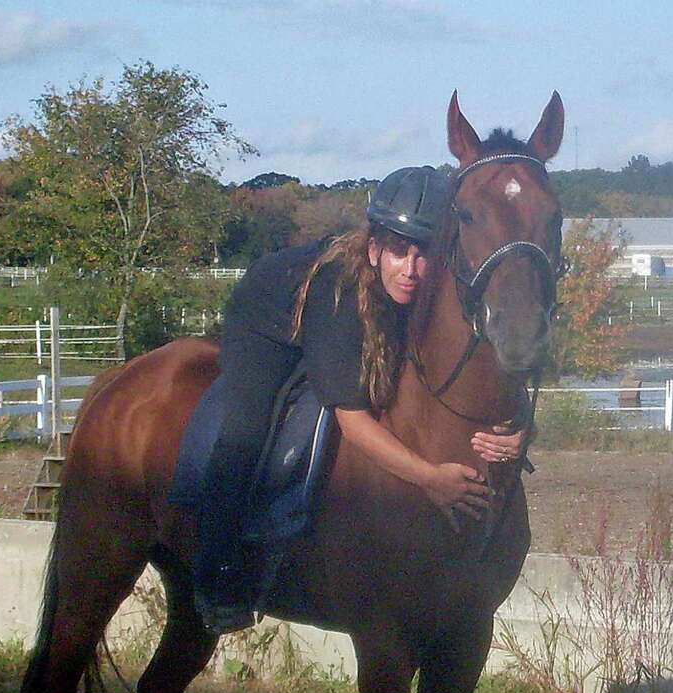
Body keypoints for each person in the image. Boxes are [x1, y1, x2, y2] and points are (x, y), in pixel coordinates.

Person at [195, 165, 526, 632]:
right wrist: (431, 478)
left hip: (349, 324)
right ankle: (216, 575)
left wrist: (518, 429)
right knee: (246, 429)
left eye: (424, 253)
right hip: (269, 322)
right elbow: (351, 422)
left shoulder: (437, 288)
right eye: (397, 251)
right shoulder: (340, 293)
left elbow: (487, 366)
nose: (411, 269)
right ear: (374, 249)